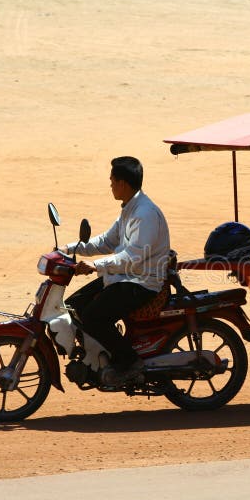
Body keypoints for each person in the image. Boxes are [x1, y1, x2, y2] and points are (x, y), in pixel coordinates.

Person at [64, 156, 170, 386]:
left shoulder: (145, 214)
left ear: (123, 183)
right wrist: (68, 249)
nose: (110, 184)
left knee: (93, 317)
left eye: (112, 180)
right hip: (124, 277)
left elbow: (133, 256)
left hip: (142, 282)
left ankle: (129, 361)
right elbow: (105, 241)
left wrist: (96, 266)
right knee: (74, 305)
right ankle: (99, 356)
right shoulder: (129, 209)